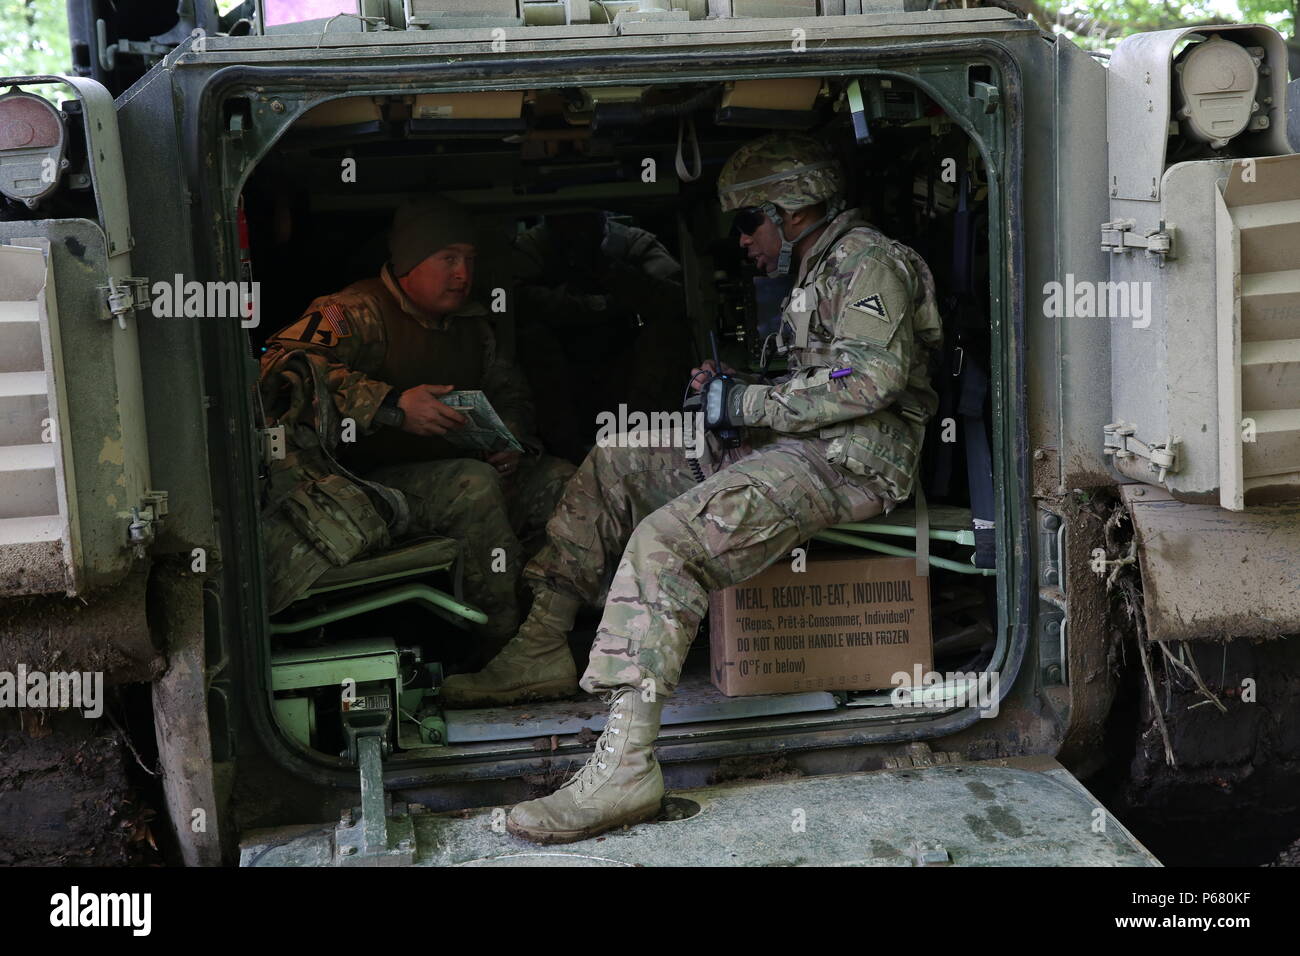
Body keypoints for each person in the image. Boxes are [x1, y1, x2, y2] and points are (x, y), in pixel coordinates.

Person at [441, 132, 944, 844]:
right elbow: (820, 378)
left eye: (747, 222)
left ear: (791, 208)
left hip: (850, 462)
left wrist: (747, 406)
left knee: (666, 544)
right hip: (798, 443)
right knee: (617, 456)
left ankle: (626, 769)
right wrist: (740, 389)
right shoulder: (816, 269)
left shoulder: (868, 261)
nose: (741, 242)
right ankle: (541, 645)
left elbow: (864, 379)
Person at [259, 197, 575, 661]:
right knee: (474, 486)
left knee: (561, 482)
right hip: (366, 487)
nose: (462, 274)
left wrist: (510, 440)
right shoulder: (351, 312)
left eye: (469, 260)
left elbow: (510, 392)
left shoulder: (472, 324)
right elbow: (278, 367)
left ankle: (562, 627)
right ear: (409, 262)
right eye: (448, 259)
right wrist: (391, 405)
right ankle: (508, 654)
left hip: (454, 471)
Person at [512, 210, 692, 462]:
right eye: (566, 220)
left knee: (665, 336)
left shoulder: (630, 242)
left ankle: (642, 449)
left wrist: (615, 273)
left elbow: (677, 298)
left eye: (583, 219)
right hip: (560, 367)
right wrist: (591, 306)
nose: (576, 228)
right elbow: (513, 303)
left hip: (626, 359)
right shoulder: (533, 247)